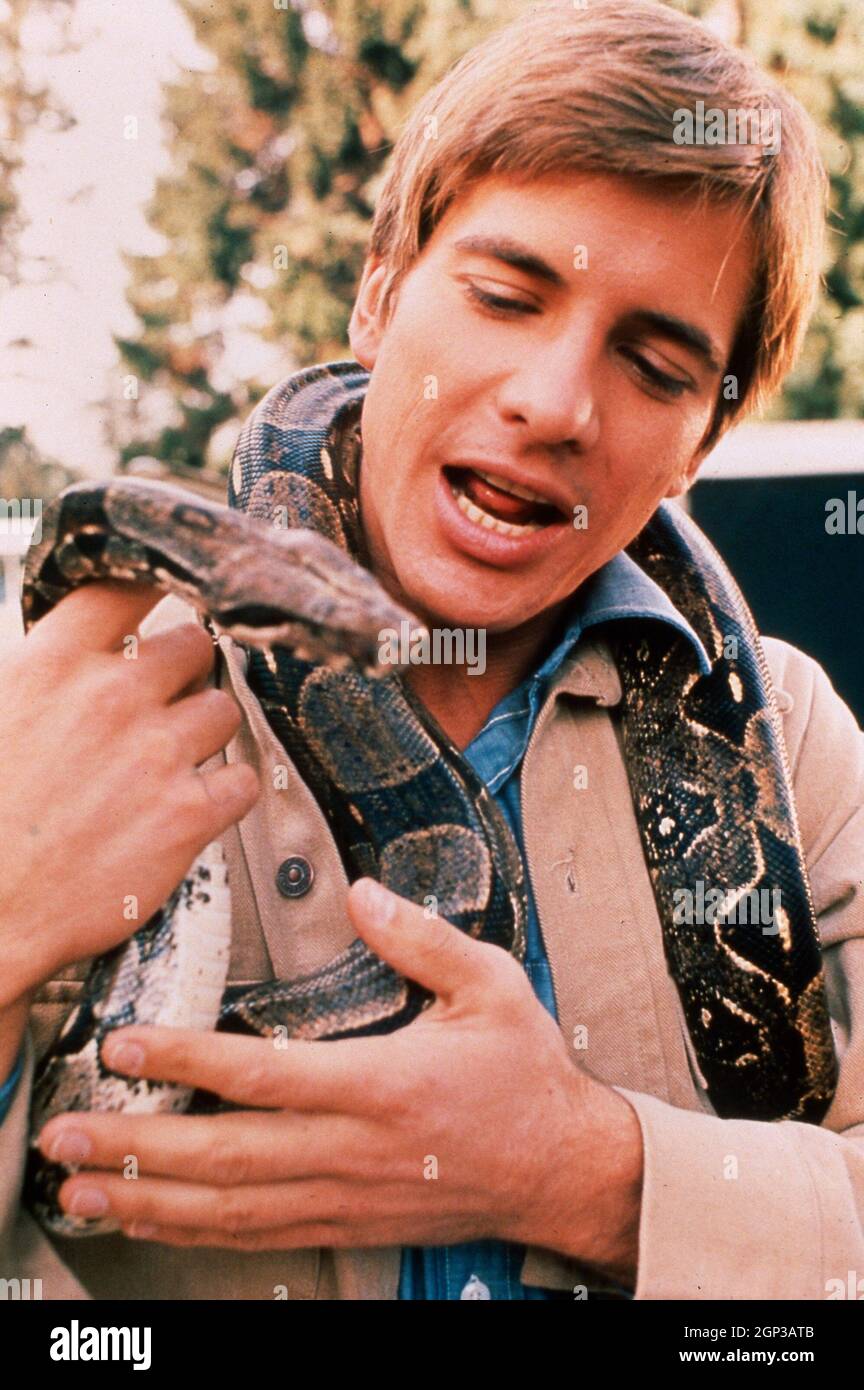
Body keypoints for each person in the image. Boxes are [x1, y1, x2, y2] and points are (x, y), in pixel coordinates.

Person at [1, 0, 862, 1302]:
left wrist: (580, 1171)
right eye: (508, 294)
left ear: (699, 443)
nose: (555, 402)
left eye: (656, 362)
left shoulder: (791, 741)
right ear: (378, 292)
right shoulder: (72, 706)